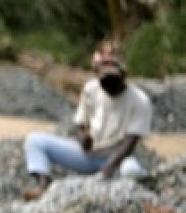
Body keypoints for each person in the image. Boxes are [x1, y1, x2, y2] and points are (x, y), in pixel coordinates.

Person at [22, 42, 152, 200]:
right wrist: (83, 138)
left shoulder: (139, 100)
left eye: (113, 80)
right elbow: (80, 122)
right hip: (89, 156)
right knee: (35, 141)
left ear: (124, 75)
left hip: (119, 158)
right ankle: (44, 187)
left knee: (131, 170)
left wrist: (108, 168)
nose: (109, 85)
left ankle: (142, 188)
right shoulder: (91, 89)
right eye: (105, 80)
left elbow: (130, 141)